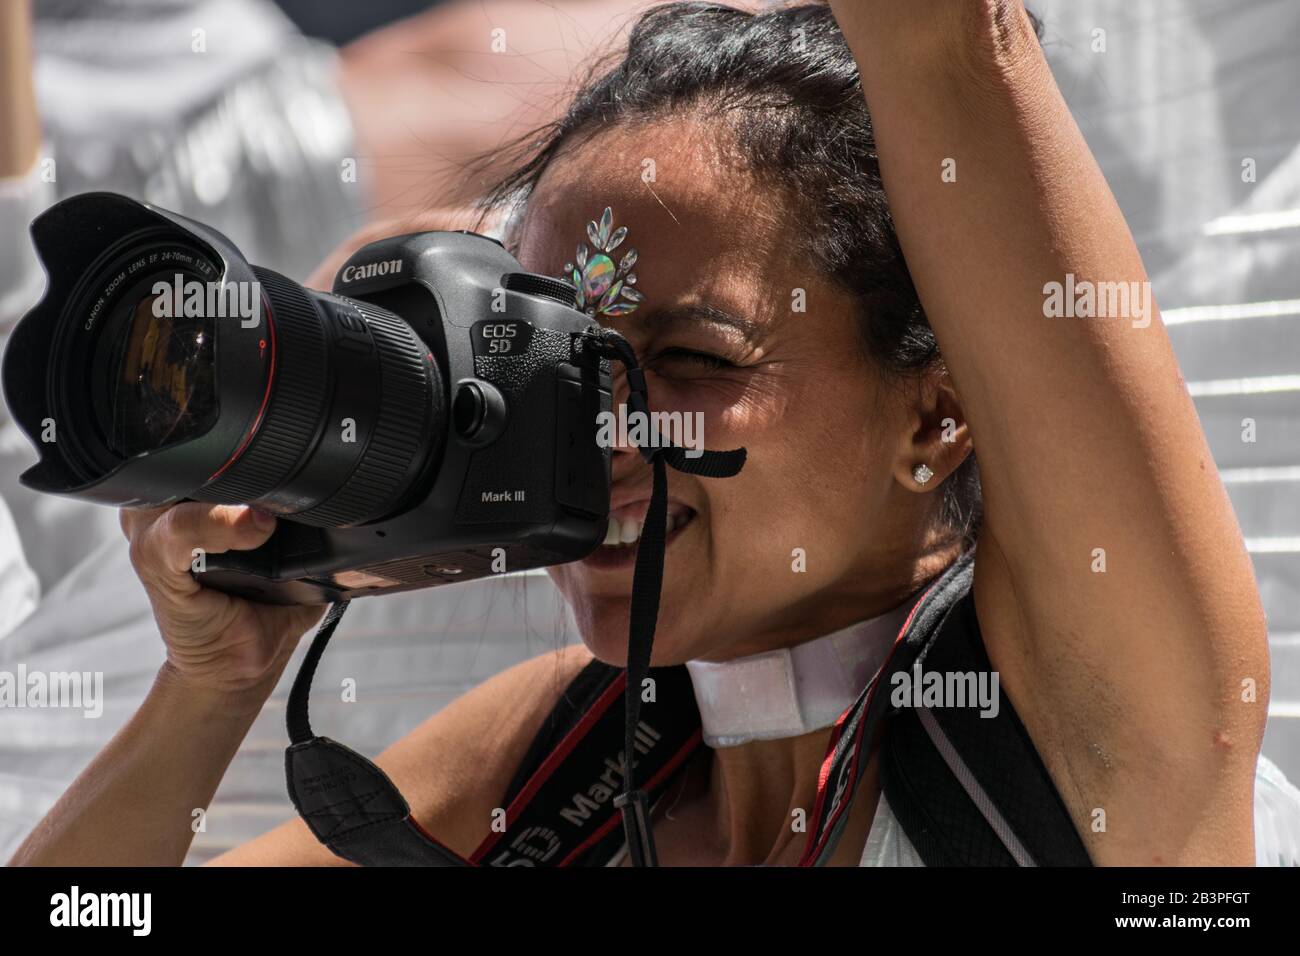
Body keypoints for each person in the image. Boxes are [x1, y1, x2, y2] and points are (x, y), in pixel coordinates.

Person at [8, 1, 1277, 866]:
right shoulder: (573, 745)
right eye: (560, 359)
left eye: (685, 359)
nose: (594, 430)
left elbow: (948, 41)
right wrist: (207, 691)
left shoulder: (1085, 719)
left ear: (937, 412)